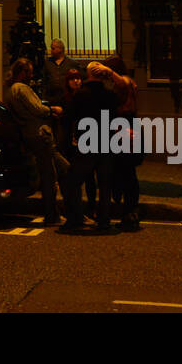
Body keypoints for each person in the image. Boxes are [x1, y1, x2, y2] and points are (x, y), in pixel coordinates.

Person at [3, 58, 63, 227]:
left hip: (27, 135)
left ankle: (55, 213)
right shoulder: (22, 88)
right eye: (29, 72)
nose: (31, 75)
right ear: (22, 73)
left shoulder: (9, 91)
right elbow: (37, 108)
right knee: (50, 174)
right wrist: (52, 110)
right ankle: (53, 214)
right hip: (38, 134)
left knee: (48, 172)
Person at [62, 61, 119, 234]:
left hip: (87, 142)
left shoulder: (81, 95)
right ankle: (104, 221)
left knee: (72, 181)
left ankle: (74, 219)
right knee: (104, 184)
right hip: (106, 141)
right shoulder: (110, 95)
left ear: (89, 75)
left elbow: (69, 117)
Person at [102, 57, 142, 232]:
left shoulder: (125, 82)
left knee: (126, 171)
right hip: (124, 127)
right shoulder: (123, 84)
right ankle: (129, 211)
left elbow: (122, 83)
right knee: (126, 171)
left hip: (124, 127)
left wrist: (108, 72)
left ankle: (130, 211)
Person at [39, 39, 80, 104]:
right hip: (50, 97)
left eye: (53, 48)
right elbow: (44, 80)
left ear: (60, 49)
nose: (51, 51)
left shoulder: (72, 63)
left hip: (66, 98)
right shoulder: (47, 63)